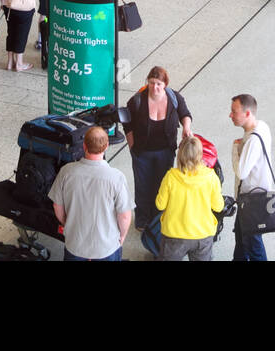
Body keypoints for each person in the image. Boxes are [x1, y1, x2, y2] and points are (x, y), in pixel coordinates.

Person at [123, 67, 193, 235]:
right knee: (143, 187)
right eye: (152, 83)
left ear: (165, 84)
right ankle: (142, 219)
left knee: (162, 186)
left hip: (165, 151)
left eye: (159, 84)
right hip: (142, 152)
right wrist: (132, 147)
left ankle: (158, 219)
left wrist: (186, 127)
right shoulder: (137, 101)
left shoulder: (174, 98)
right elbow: (127, 124)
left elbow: (185, 113)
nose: (154, 87)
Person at [49, 125, 131, 261]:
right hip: (106, 248)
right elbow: (124, 216)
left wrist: (67, 223)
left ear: (84, 146)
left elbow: (57, 206)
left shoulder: (66, 172)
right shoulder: (117, 178)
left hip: (75, 245)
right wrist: (121, 237)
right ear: (106, 146)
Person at [156, 135, 224, 261]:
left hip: (174, 234)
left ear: (180, 154)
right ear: (200, 154)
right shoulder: (211, 177)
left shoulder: (171, 176)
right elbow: (218, 206)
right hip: (203, 234)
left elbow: (160, 205)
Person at [229, 93, 273, 261]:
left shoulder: (252, 141)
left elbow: (241, 171)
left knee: (254, 246)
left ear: (247, 114)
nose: (230, 115)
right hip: (252, 199)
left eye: (234, 111)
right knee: (241, 239)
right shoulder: (262, 126)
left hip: (252, 202)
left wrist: (235, 148)